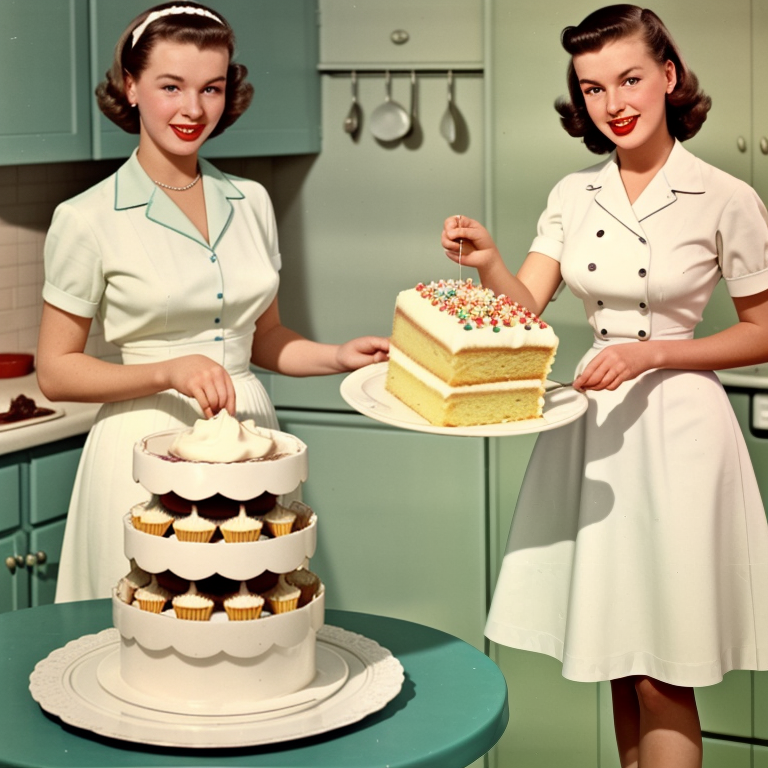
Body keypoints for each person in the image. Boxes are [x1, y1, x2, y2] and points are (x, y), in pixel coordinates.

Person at [442, 5, 768, 768]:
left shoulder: (726, 197)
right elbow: (524, 309)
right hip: (591, 431)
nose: (614, 103)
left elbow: (763, 331)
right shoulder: (573, 193)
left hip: (681, 435)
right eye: (592, 89)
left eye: (628, 79)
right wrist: (490, 259)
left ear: (668, 76)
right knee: (621, 661)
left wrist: (653, 354)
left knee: (663, 671)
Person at [37, 2, 388, 603]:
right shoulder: (85, 217)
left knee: (250, 613)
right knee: (148, 616)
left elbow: (266, 336)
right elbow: (55, 371)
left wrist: (338, 355)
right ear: (131, 86)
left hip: (248, 429)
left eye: (212, 88)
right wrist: (169, 370)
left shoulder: (249, 200)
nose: (193, 109)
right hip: (143, 440)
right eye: (170, 86)